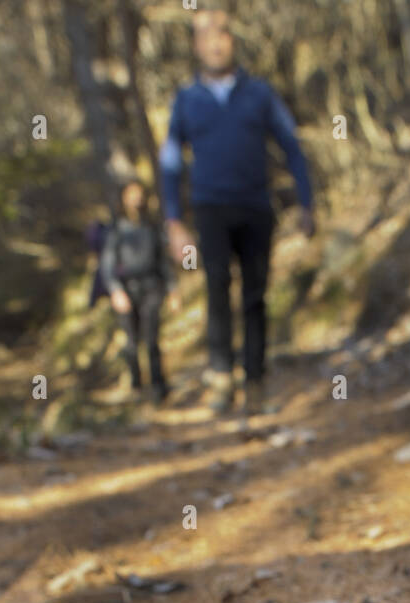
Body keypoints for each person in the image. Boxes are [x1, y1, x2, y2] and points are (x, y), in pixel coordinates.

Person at [160, 8, 315, 416]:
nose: (215, 42)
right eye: (205, 36)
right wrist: (174, 222)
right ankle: (220, 378)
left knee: (255, 296)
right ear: (196, 46)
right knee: (216, 288)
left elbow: (293, 147)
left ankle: (257, 380)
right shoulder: (187, 100)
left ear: (232, 39)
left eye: (222, 34)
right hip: (210, 207)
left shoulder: (259, 94)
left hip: (255, 206)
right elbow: (171, 162)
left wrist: (305, 202)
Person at [100, 180, 177, 404]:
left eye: (139, 194)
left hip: (152, 287)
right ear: (123, 198)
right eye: (131, 194)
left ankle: (159, 388)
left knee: (152, 339)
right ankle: (136, 388)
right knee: (132, 342)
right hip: (127, 289)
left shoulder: (152, 226)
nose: (136, 199)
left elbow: (163, 261)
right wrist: (116, 291)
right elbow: (108, 264)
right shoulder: (116, 229)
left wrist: (172, 289)